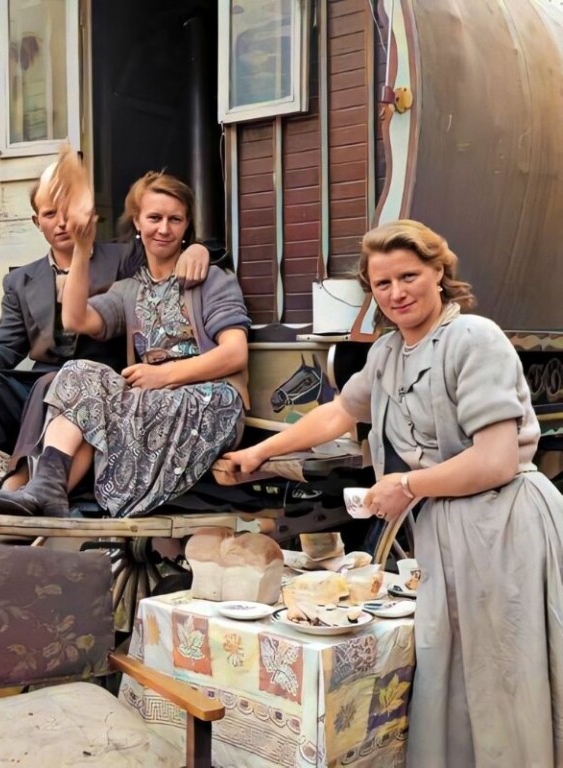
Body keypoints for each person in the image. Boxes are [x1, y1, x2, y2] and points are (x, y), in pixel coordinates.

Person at [225, 219, 563, 766]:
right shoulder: (386, 353)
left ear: (439, 273)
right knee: (450, 673)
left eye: (409, 276)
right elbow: (338, 412)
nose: (397, 293)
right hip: (446, 531)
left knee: (504, 676)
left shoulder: (475, 339)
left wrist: (406, 484)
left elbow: (497, 459)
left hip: (504, 528)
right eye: (382, 284)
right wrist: (262, 452)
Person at [0, 161, 210, 556]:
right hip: (38, 388)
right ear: (37, 222)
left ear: (88, 215)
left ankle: (17, 495)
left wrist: (202, 247)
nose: (62, 222)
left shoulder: (122, 258)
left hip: (101, 390)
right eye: (50, 214)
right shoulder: (20, 281)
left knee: (60, 380)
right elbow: (7, 350)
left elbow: (164, 240)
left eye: (68, 211)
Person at [0, 167, 250, 520]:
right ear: (137, 223)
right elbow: (76, 320)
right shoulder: (130, 289)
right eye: (154, 218)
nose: (164, 229)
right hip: (153, 397)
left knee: (115, 404)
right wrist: (81, 249)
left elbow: (235, 353)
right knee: (78, 371)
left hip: (211, 399)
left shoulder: (210, 279)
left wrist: (165, 375)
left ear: (187, 226)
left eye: (176, 219)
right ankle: (46, 488)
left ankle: (40, 495)